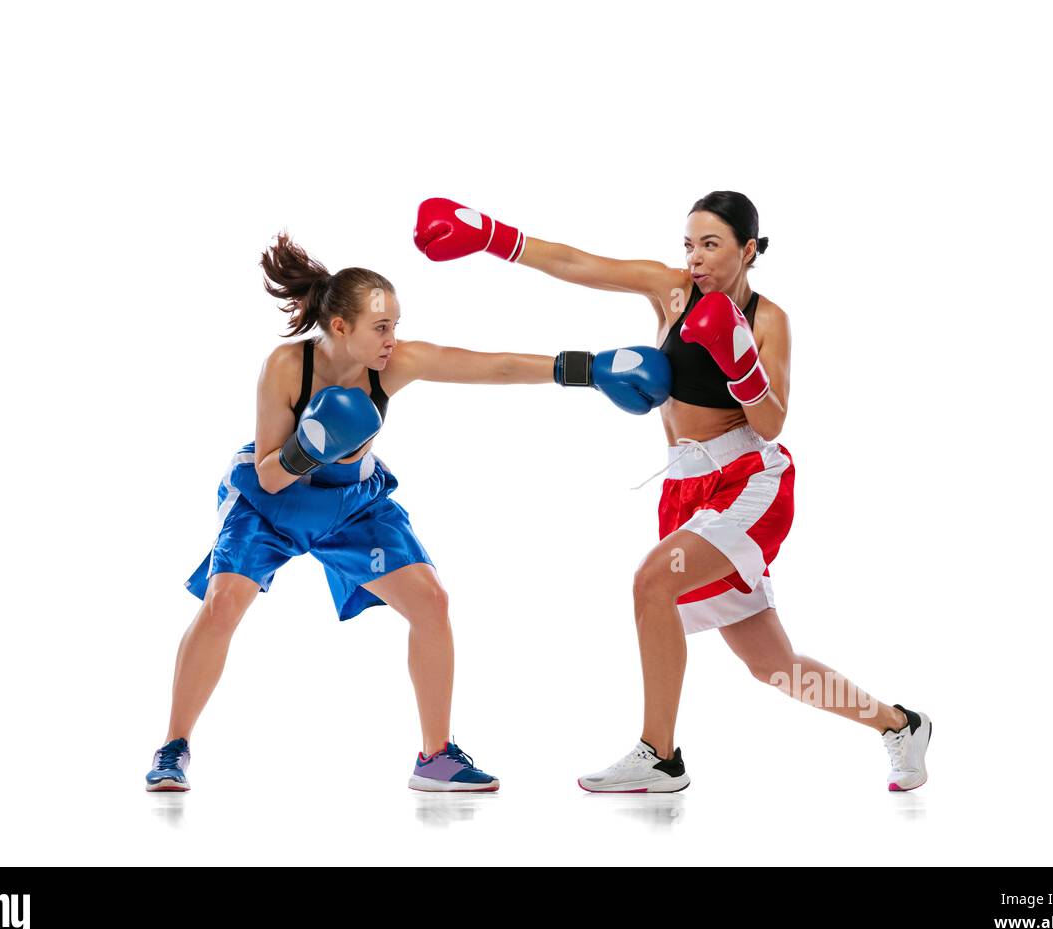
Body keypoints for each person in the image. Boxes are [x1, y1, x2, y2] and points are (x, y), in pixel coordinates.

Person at [414, 192, 932, 793]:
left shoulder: (768, 320)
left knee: (651, 581)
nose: (696, 259)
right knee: (773, 665)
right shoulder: (672, 292)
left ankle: (658, 756)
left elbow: (771, 422)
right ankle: (901, 726)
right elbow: (577, 263)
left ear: (750, 250)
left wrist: (740, 362)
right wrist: (489, 236)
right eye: (689, 245)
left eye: (711, 245)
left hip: (749, 482)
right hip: (687, 489)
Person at [147, 232, 670, 793]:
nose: (392, 340)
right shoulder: (285, 367)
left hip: (351, 505)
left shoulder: (392, 365)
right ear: (341, 327)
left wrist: (588, 369)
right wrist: (312, 444)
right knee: (223, 602)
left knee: (431, 600)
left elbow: (490, 367)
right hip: (273, 503)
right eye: (381, 328)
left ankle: (436, 757)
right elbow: (272, 475)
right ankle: (174, 747)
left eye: (395, 325)